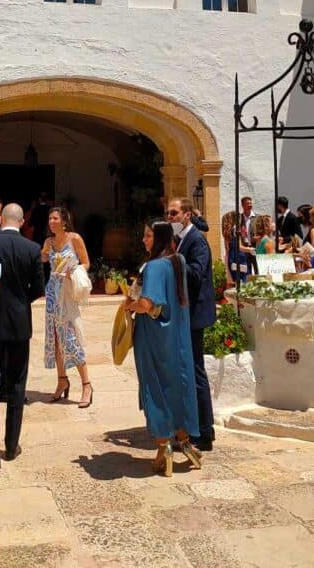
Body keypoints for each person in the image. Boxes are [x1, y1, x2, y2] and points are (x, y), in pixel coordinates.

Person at [0, 203, 45, 471]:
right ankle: (11, 446)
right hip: (18, 326)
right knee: (16, 385)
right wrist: (19, 303)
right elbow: (39, 287)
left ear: (1, 220)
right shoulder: (32, 249)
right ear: (23, 220)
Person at [125, 221, 200, 476]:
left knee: (155, 387)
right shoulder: (177, 261)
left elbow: (148, 304)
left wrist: (130, 306)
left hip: (154, 337)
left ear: (158, 238)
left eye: (148, 236)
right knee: (177, 384)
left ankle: (164, 446)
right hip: (176, 336)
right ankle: (186, 442)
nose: (144, 240)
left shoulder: (155, 266)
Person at [167, 197, 216, 452]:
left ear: (187, 215)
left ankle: (204, 433)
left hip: (195, 315)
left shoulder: (197, 240)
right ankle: (197, 427)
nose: (170, 218)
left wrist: (174, 262)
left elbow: (197, 273)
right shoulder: (183, 240)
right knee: (190, 370)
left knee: (196, 372)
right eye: (168, 213)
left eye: (174, 213)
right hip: (188, 313)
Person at [41, 206, 93, 408]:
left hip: (68, 291)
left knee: (70, 336)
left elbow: (86, 262)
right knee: (54, 337)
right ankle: (62, 379)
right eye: (49, 219)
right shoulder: (49, 241)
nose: (51, 222)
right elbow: (43, 258)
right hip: (53, 291)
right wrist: (43, 253)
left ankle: (86, 384)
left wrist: (75, 271)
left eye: (55, 218)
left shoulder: (75, 238)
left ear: (64, 221)